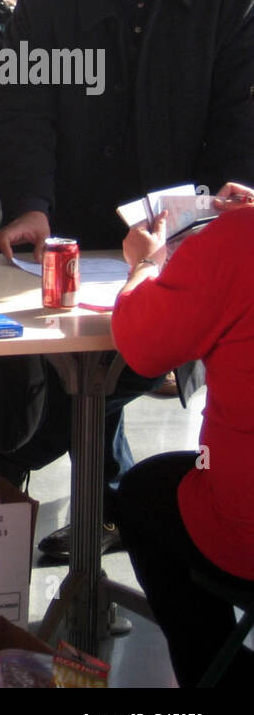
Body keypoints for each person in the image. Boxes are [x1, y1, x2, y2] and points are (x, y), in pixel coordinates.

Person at [0, 0, 254, 559]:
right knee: (77, 390)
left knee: (125, 378)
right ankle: (104, 513)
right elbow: (21, 109)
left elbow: (241, 117)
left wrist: (210, 227)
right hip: (77, 229)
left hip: (187, 238)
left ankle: (109, 515)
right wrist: (30, 205)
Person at [110, 181, 254, 687]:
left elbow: (144, 346)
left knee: (139, 497)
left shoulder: (239, 238)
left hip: (244, 524)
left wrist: (145, 264)